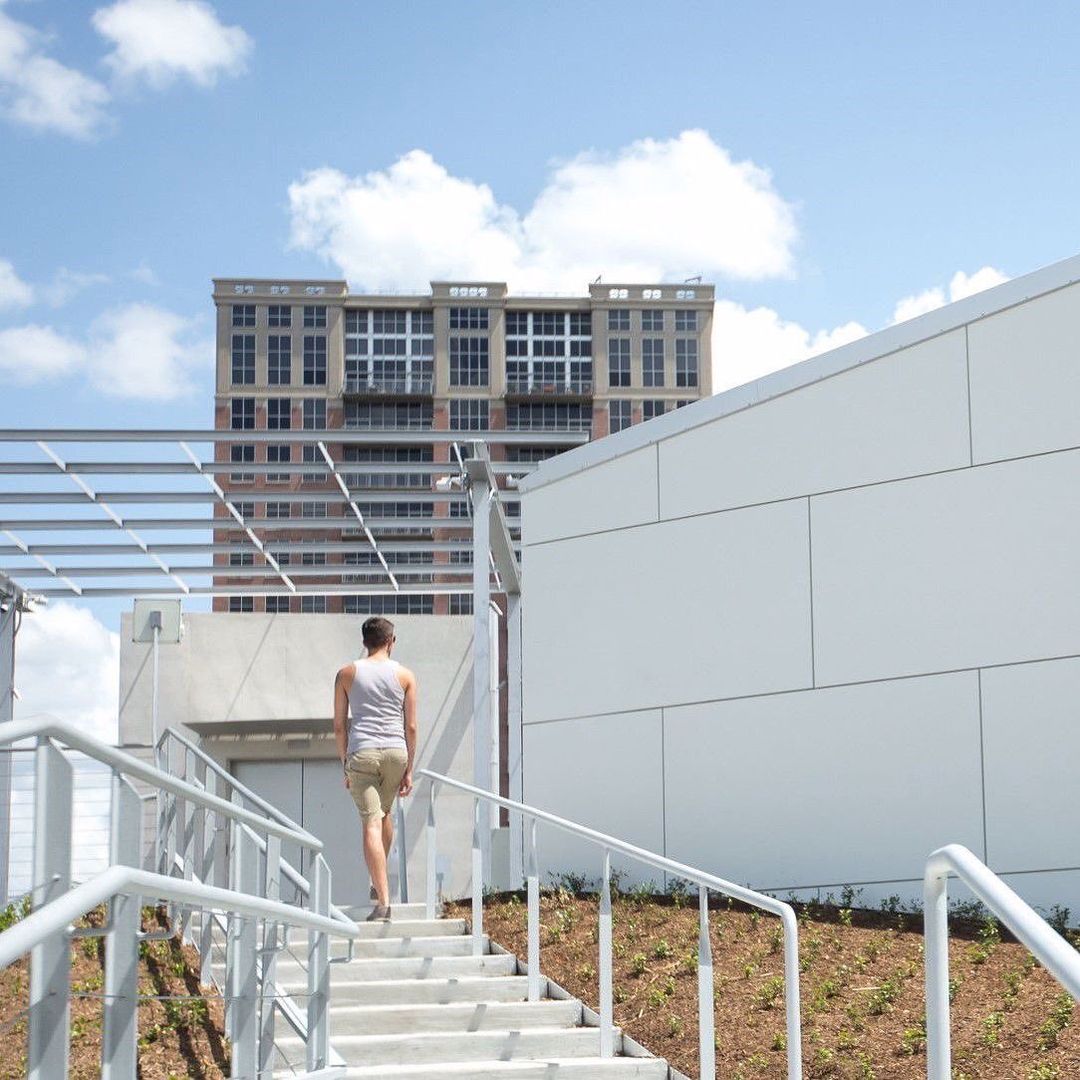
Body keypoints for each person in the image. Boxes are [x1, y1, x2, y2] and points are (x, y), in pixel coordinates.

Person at [333, 616, 417, 922]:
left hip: (362, 753)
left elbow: (340, 726)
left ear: (364, 641)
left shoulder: (346, 673)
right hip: (396, 753)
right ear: (391, 641)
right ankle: (377, 880)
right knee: (384, 814)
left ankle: (383, 901)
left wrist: (345, 763)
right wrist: (409, 768)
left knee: (370, 822)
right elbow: (410, 725)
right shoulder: (406, 675)